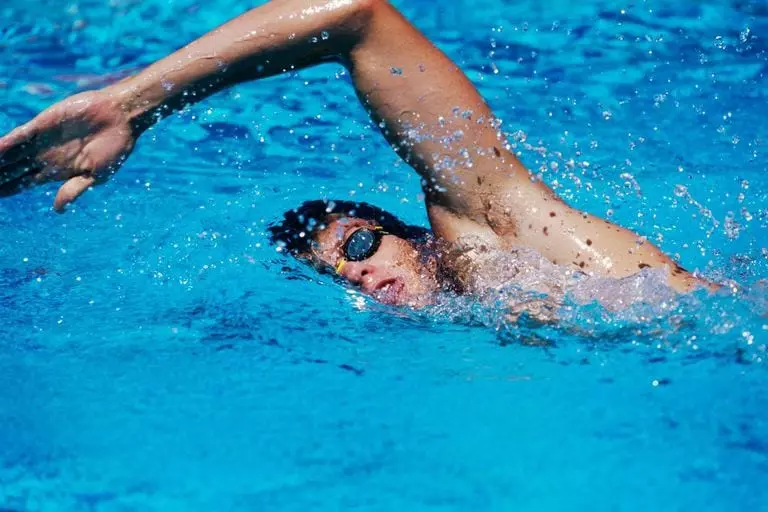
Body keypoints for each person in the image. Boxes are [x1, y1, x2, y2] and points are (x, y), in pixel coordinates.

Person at [0, 0, 704, 311]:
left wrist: (133, 103)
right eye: (341, 276)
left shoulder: (497, 230)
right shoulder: (469, 323)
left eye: (360, 245)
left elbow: (358, 18)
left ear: (417, 235)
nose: (359, 275)